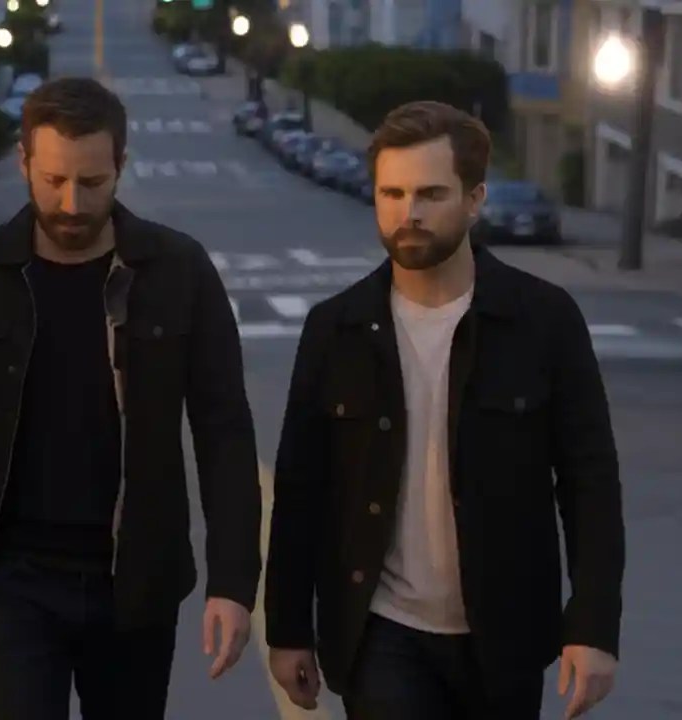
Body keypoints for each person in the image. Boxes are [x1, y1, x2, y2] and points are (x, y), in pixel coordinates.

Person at [0, 76, 261, 718]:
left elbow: (225, 431)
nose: (71, 203)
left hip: (138, 582)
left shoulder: (179, 270)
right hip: (14, 580)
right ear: (23, 163)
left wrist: (234, 583)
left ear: (121, 165)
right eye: (53, 181)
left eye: (92, 183)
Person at [265, 100, 625, 720]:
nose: (409, 214)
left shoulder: (543, 320)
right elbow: (302, 489)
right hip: (381, 633)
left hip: (505, 638)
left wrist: (592, 626)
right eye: (392, 193)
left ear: (475, 198)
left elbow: (590, 484)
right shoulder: (335, 329)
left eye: (430, 194)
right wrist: (287, 628)